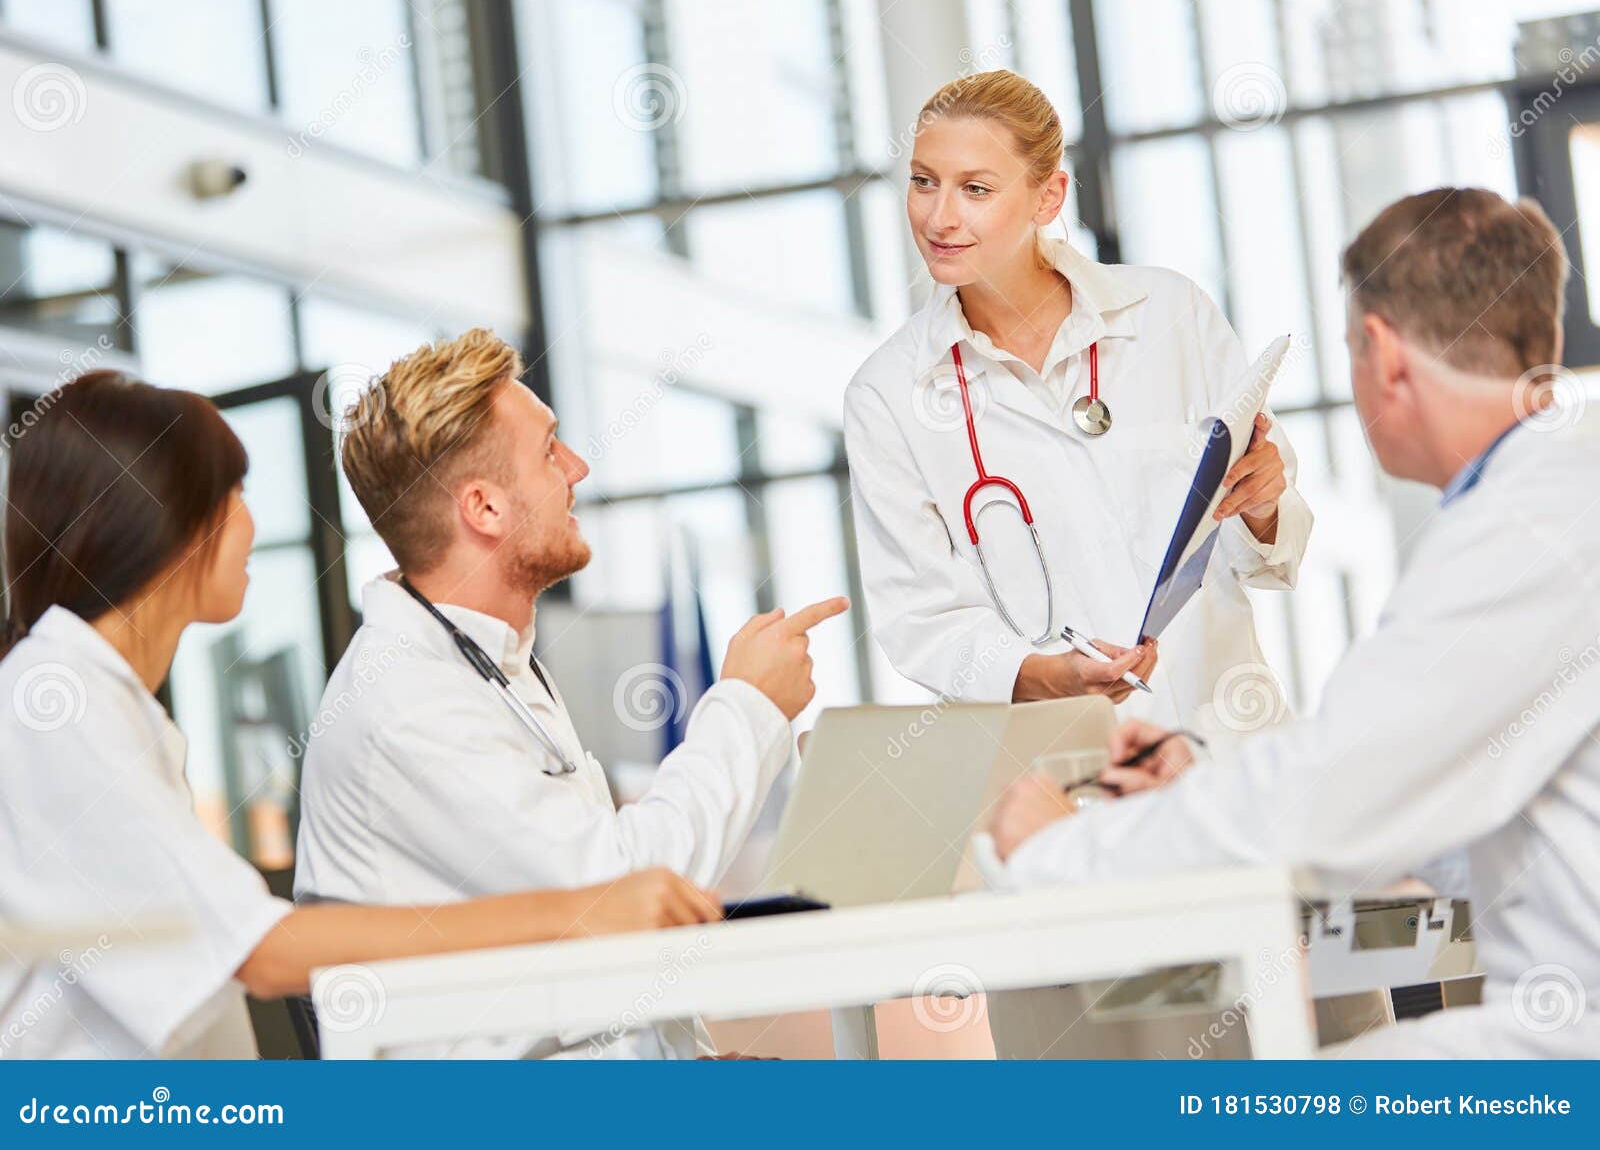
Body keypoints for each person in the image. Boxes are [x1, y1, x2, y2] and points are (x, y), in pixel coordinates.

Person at [989, 187, 1599, 1057]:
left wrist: (1064, 852)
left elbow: (1332, 793)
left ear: (1383, 355)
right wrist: (1197, 793)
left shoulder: (1523, 533)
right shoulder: (1557, 492)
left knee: (1246, 1110)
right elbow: (1493, 810)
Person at [0, 371, 718, 1060]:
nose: (251, 520)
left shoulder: (107, 707)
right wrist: (580, 912)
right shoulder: (53, 701)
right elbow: (262, 950)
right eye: (235, 491)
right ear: (164, 518)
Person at [292, 329, 847, 1059]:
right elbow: (617, 892)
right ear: (484, 508)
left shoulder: (490, 661)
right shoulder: (405, 702)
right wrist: (746, 704)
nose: (578, 467)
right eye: (551, 449)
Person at [844, 70, 1311, 728]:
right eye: (924, 181)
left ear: (1049, 196)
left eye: (975, 189)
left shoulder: (1168, 314)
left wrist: (1263, 504)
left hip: (1227, 747)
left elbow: (1271, 545)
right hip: (1059, 771)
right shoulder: (889, 394)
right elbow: (920, 617)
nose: (939, 216)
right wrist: (1040, 676)